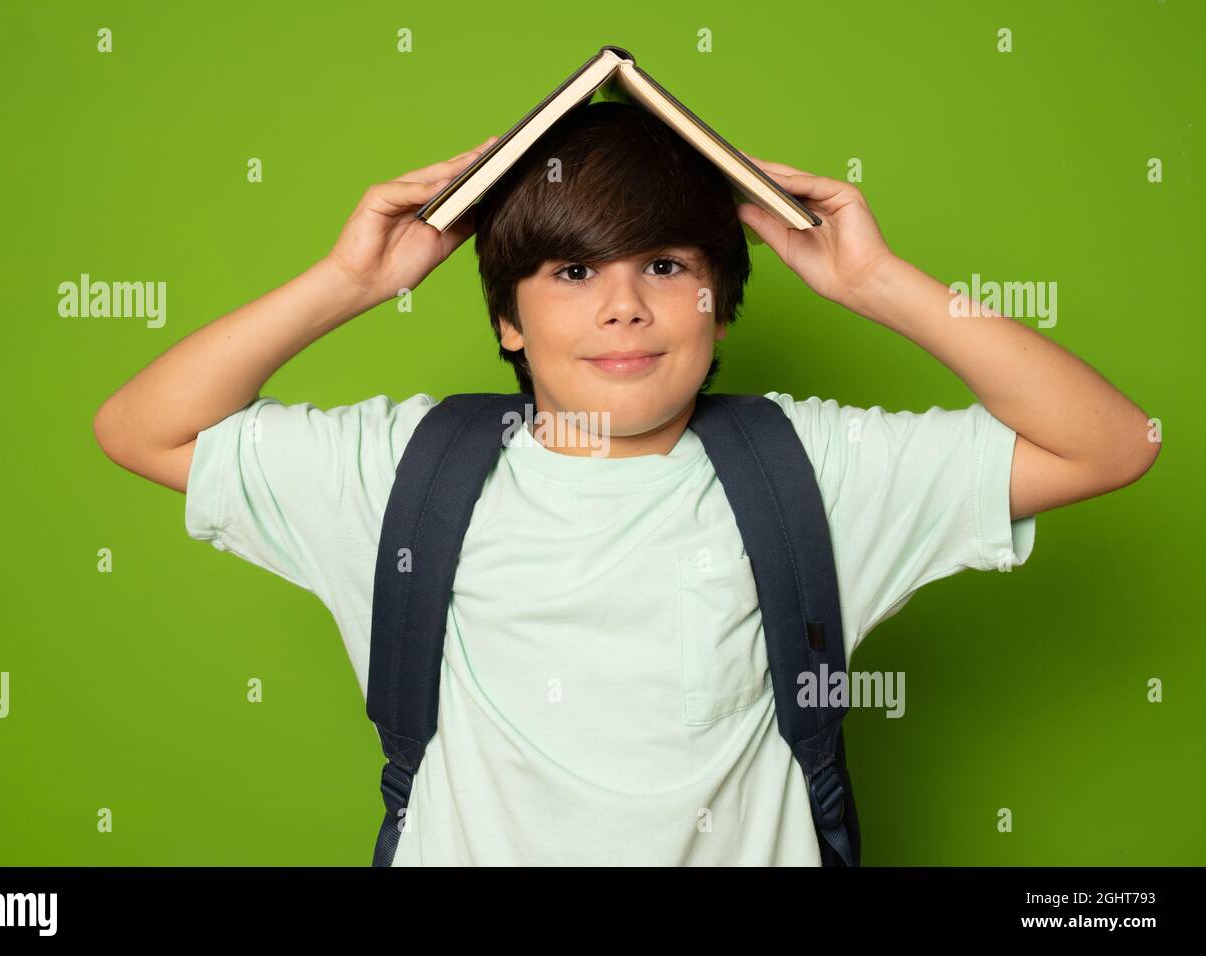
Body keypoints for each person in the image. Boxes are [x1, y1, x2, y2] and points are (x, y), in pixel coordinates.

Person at [92, 102, 1159, 865]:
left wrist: (877, 284)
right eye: (570, 271)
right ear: (507, 321)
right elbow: (138, 427)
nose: (623, 308)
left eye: (665, 266)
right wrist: (352, 281)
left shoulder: (816, 470)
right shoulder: (397, 473)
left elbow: (1109, 444)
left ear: (720, 303)